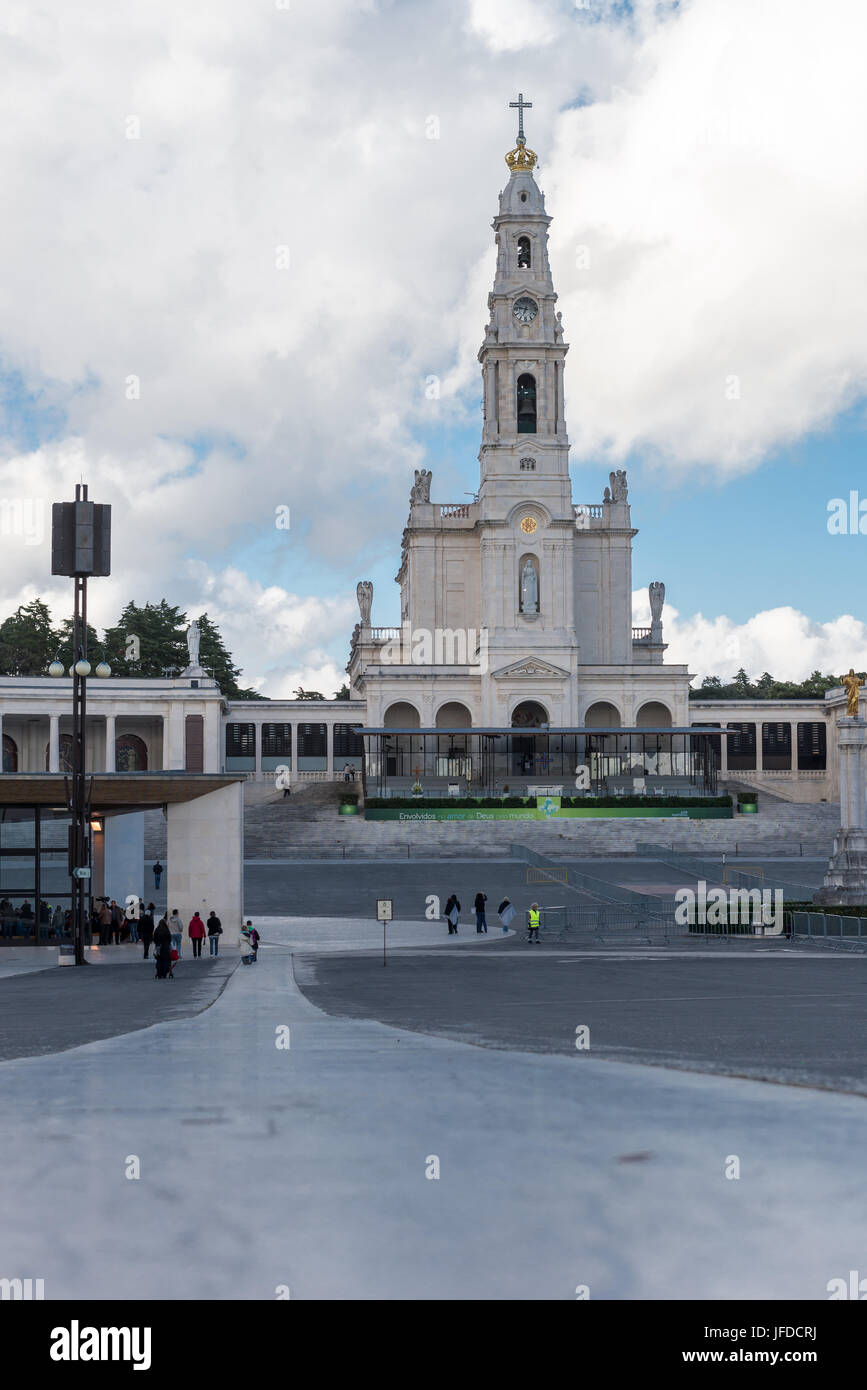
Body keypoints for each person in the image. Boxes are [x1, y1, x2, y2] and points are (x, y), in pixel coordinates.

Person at [153, 915, 172, 979]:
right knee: (166, 960)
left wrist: (157, 944)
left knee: (159, 960)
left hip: (158, 947)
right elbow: (169, 939)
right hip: (166, 948)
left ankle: (159, 973)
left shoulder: (156, 930)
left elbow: (154, 939)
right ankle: (164, 973)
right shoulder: (167, 930)